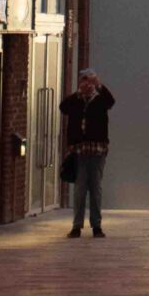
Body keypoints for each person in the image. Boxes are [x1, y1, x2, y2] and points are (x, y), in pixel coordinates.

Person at [59, 68, 114, 238]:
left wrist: (99, 85)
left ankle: (97, 226)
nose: (87, 84)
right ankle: (77, 226)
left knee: (96, 188)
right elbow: (63, 107)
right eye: (84, 80)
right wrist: (78, 93)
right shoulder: (76, 100)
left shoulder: (100, 99)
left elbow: (111, 101)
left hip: (97, 150)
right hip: (80, 150)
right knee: (80, 189)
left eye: (89, 80)